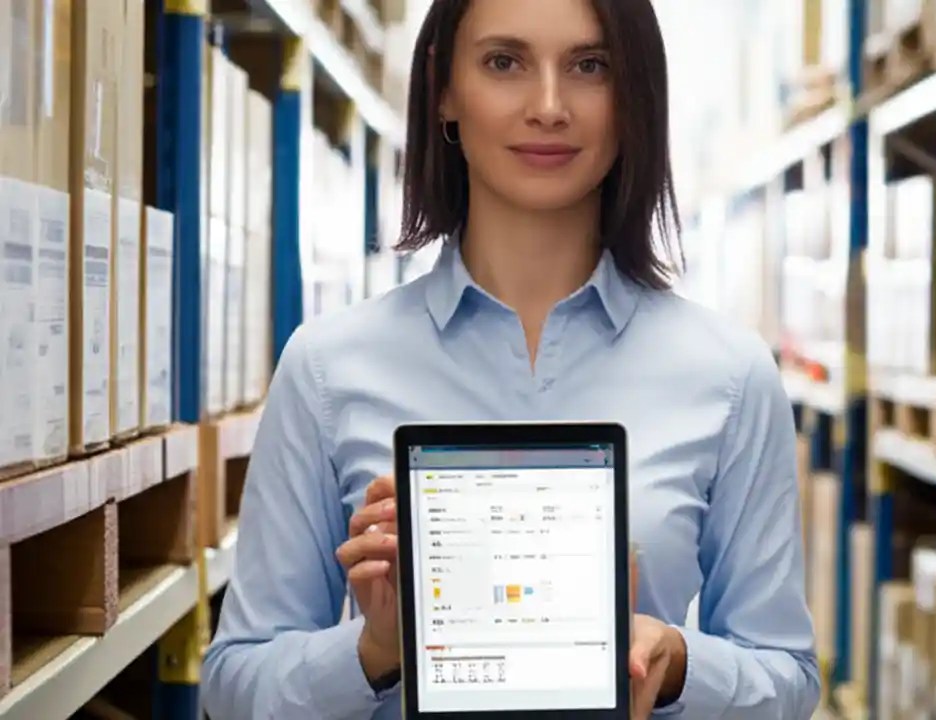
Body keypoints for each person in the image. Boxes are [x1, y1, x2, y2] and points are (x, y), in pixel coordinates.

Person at [200, 0, 819, 717]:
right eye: (504, 62)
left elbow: (789, 677)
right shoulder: (327, 368)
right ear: (444, 89)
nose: (549, 106)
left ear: (634, 95)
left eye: (590, 66)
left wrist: (676, 661)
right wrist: (375, 650)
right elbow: (232, 682)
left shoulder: (730, 375)